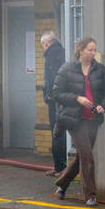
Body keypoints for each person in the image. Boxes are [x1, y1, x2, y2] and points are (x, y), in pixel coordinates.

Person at [52, 36, 105, 206]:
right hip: (74, 119)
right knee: (88, 156)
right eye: (90, 49)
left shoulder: (100, 70)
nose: (93, 53)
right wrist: (77, 98)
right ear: (80, 50)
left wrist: (103, 106)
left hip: (93, 118)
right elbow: (56, 93)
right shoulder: (67, 69)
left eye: (95, 50)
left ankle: (62, 184)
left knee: (81, 157)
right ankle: (90, 195)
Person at [41, 32, 67, 176]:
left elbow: (50, 79)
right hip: (61, 97)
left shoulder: (51, 56)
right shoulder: (61, 53)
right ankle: (60, 166)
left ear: (47, 44)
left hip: (55, 100)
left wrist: (48, 95)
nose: (43, 49)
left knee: (57, 132)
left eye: (43, 46)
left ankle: (60, 167)